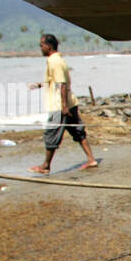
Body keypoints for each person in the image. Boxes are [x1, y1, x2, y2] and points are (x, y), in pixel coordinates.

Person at [28, 33, 97, 175]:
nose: (40, 48)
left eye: (41, 45)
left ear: (48, 46)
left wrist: (64, 106)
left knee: (51, 134)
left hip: (59, 106)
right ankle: (91, 159)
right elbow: (54, 80)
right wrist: (39, 85)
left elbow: (61, 84)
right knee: (78, 132)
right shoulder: (57, 60)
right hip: (69, 103)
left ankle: (46, 165)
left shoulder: (54, 61)